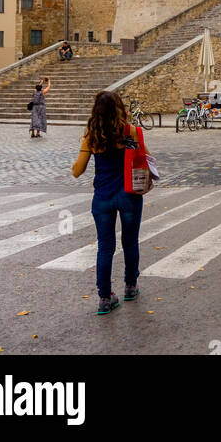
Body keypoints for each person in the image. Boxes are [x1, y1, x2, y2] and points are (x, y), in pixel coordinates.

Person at [72, 90, 150, 314]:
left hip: (103, 198)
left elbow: (78, 171)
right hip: (128, 196)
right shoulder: (129, 133)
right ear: (119, 108)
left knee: (105, 247)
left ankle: (105, 297)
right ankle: (130, 286)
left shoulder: (93, 136)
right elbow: (144, 157)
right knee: (130, 242)